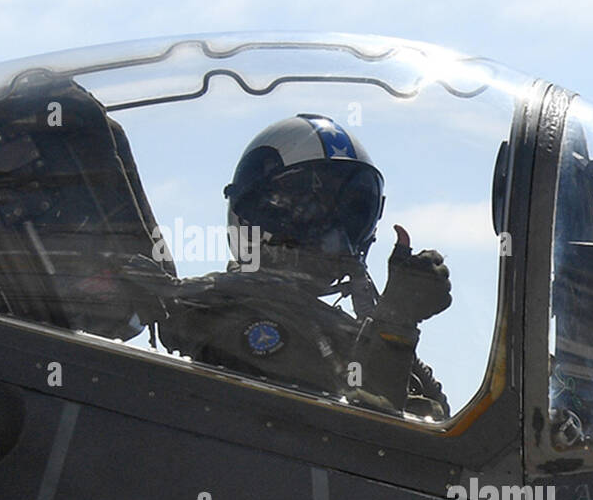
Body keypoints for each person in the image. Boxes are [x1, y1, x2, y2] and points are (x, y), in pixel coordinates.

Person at [152, 114, 453, 419]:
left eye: (349, 216)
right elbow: (353, 436)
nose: (335, 236)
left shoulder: (340, 330)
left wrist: (389, 326)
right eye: (311, 214)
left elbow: (437, 422)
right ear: (256, 211)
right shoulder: (232, 318)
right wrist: (395, 324)